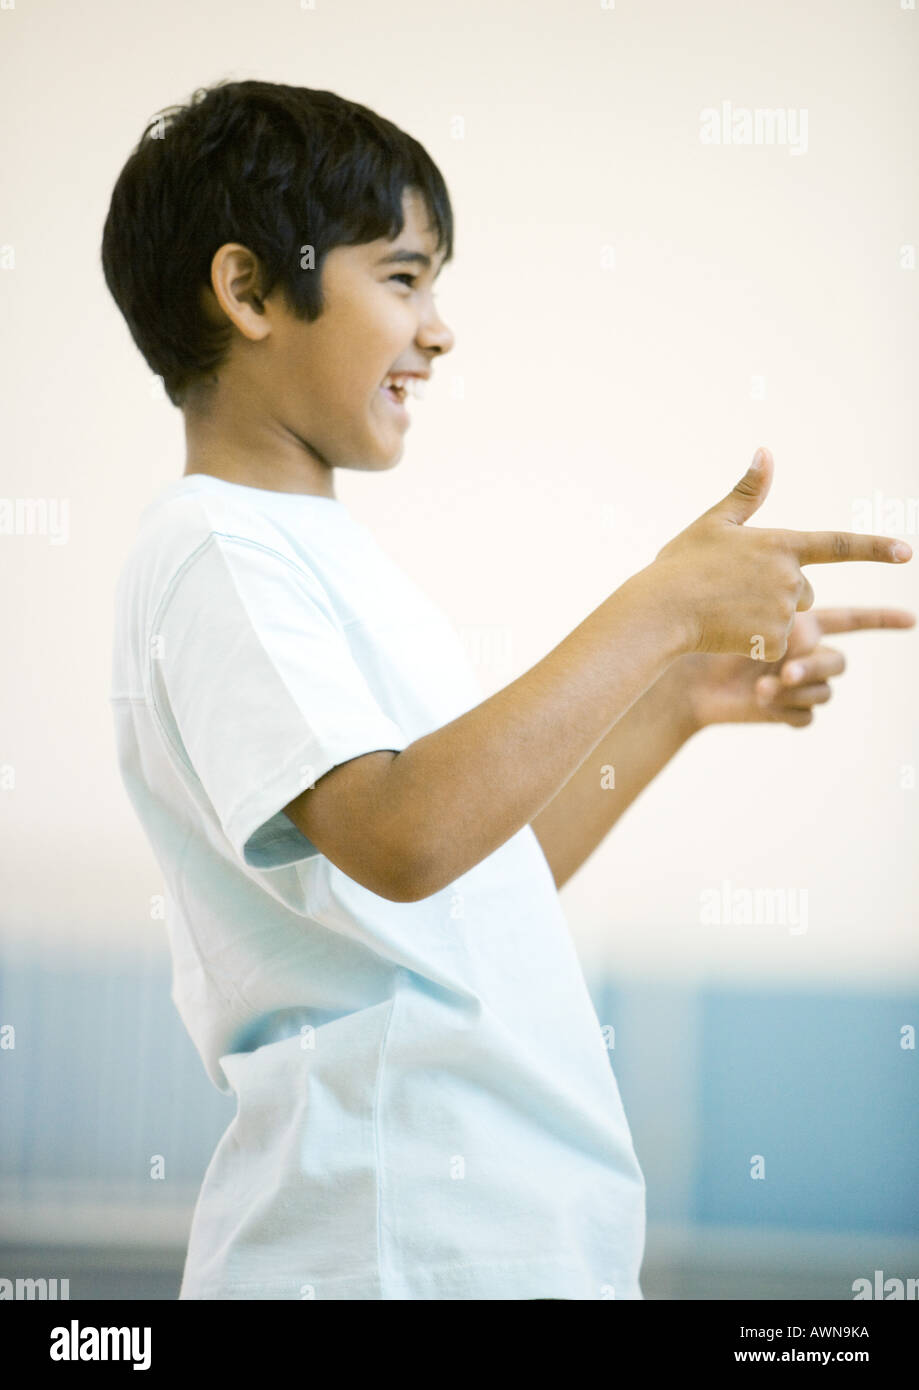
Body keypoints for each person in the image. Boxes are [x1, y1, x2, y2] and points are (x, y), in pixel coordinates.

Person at [101, 79, 914, 1301]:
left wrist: (674, 691)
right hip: (390, 1250)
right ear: (251, 290)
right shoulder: (219, 551)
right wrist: (658, 604)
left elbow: (476, 864)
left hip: (483, 1248)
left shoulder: (313, 558)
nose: (439, 330)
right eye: (403, 277)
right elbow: (405, 836)